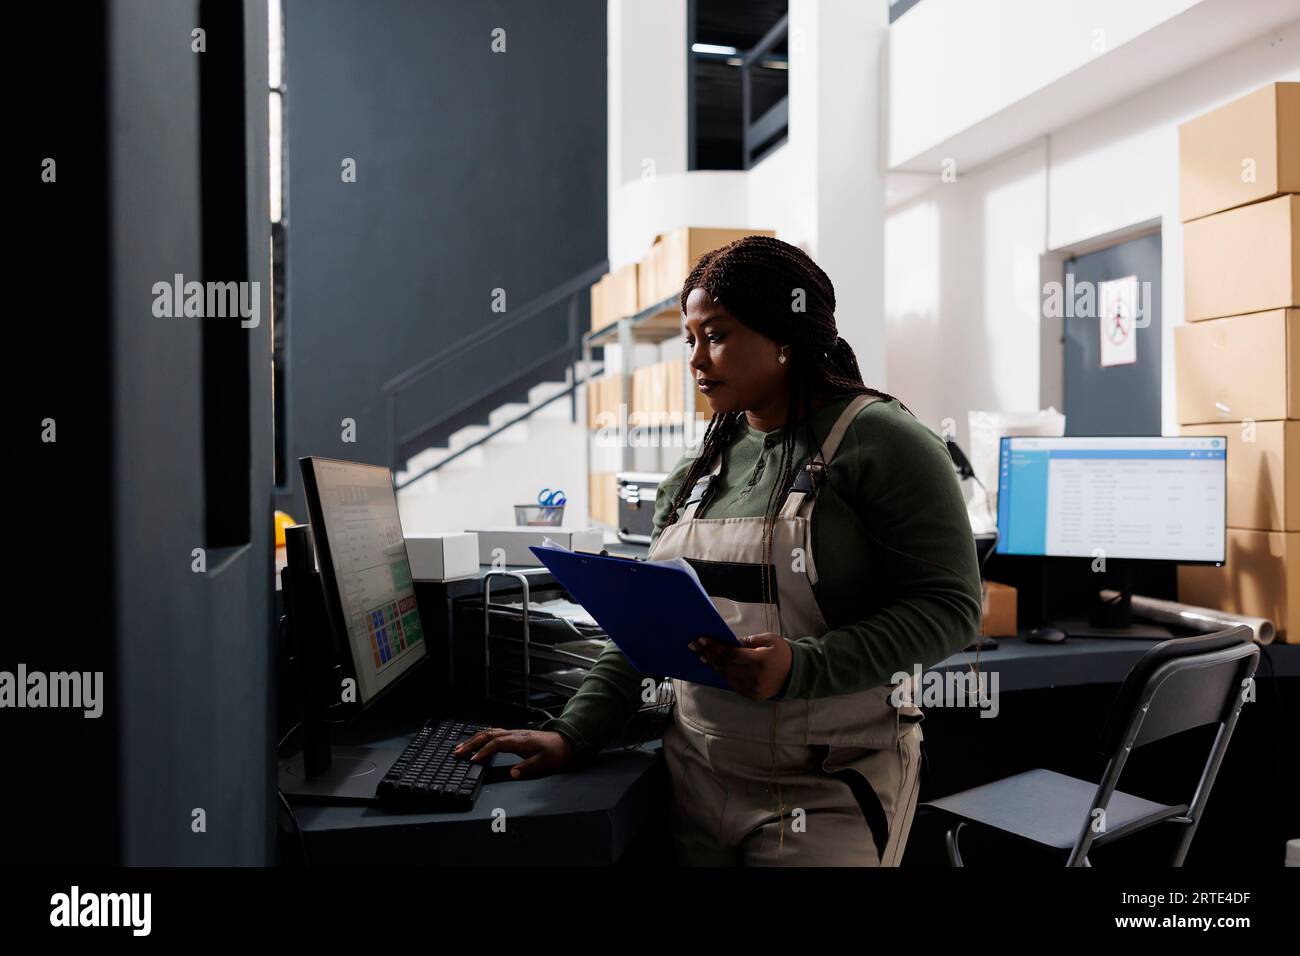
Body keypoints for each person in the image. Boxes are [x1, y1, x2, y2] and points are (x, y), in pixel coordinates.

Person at [454, 235, 982, 865]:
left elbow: (951, 610)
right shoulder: (694, 475)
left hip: (830, 786)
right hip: (696, 781)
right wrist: (571, 733)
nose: (697, 359)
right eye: (690, 339)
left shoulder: (884, 443)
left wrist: (800, 666)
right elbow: (644, 632)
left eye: (719, 335)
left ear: (786, 336)